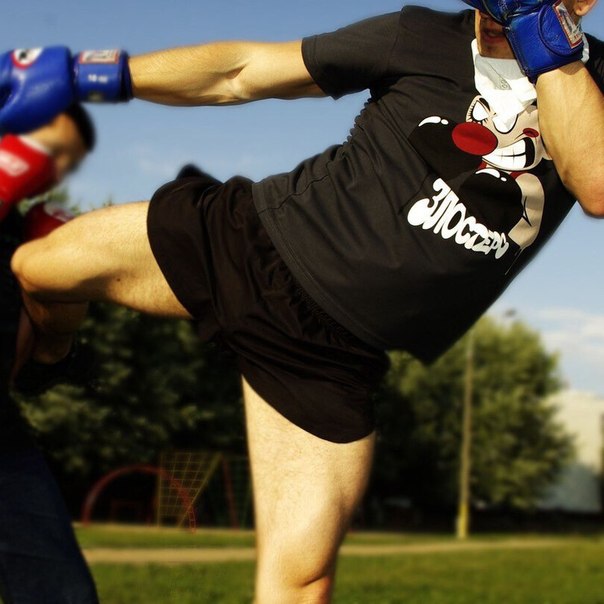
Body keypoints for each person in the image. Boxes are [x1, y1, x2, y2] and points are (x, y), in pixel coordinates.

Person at [2, 1, 603, 601]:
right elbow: (241, 72)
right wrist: (88, 73)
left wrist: (541, 37)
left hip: (330, 356)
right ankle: (52, 359)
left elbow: (595, 183)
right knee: (37, 266)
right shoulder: (418, 34)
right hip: (250, 242)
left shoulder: (594, 83)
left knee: (300, 583)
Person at [0, 106, 99, 603]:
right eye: (51, 150)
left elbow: (36, 372)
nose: (54, 170)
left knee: (61, 593)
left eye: (67, 163)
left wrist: (59, 322)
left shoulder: (25, 236)